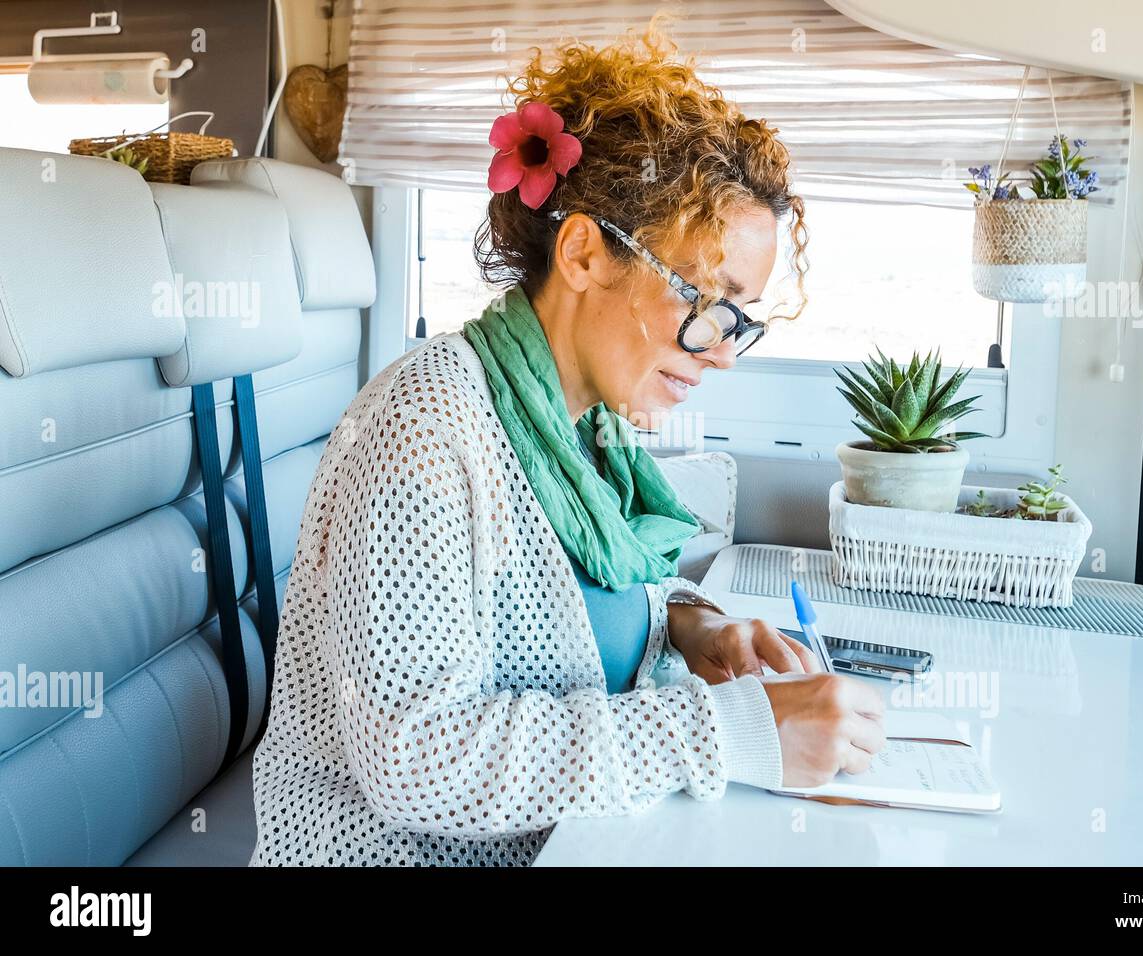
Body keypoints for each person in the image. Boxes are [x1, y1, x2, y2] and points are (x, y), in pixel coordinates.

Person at [250, 28, 885, 867]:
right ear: (584, 252)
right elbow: (414, 759)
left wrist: (691, 628)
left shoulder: (588, 426)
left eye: (744, 322)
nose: (725, 350)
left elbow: (600, 611)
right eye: (712, 304)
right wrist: (731, 731)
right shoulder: (423, 432)